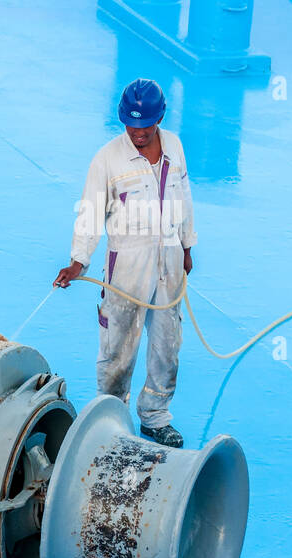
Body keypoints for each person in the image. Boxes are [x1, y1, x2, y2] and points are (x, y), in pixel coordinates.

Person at [53, 78, 196, 448]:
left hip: (170, 263)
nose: (138, 133)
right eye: (131, 125)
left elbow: (185, 200)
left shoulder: (175, 148)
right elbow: (89, 213)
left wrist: (187, 246)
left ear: (158, 118)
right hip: (127, 267)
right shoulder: (107, 159)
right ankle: (111, 416)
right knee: (118, 344)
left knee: (167, 344)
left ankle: (155, 417)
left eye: (145, 125)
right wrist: (78, 261)